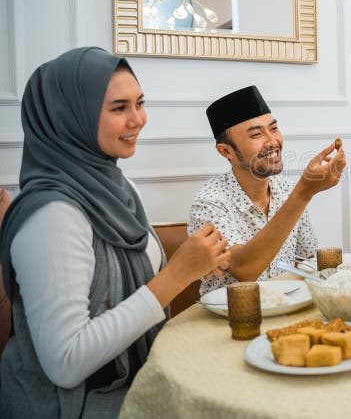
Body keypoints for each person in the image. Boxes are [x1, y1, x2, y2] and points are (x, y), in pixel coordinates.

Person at [0, 47, 230, 417]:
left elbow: (131, 289)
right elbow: (66, 362)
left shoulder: (120, 187)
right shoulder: (52, 215)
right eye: (119, 108)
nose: (138, 119)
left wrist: (197, 263)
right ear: (69, 117)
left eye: (140, 103)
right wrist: (177, 274)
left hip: (133, 385)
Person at [189, 86, 346, 295]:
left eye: (273, 128)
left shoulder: (286, 189)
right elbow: (245, 270)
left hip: (288, 309)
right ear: (226, 151)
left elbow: (307, 261)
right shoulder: (209, 202)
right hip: (230, 320)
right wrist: (304, 193)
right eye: (256, 134)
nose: (273, 141)